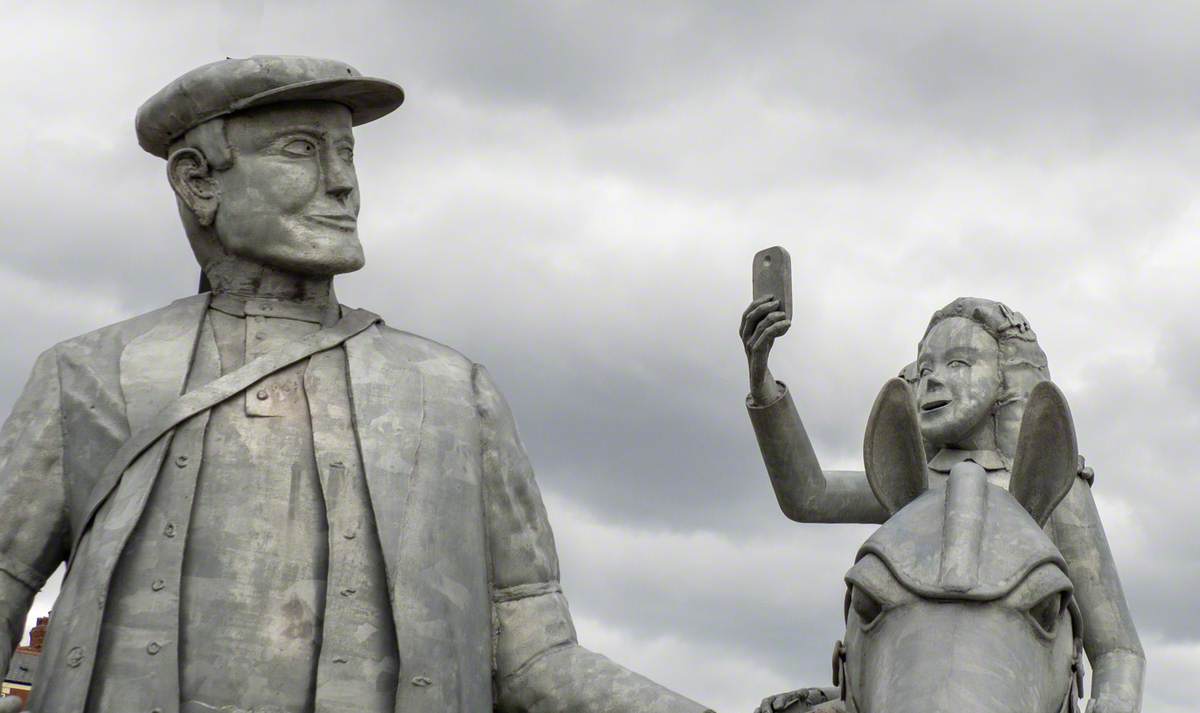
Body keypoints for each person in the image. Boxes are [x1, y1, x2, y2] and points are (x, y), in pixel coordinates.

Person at [0, 56, 713, 713]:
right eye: (302, 151)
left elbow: (533, 652)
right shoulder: (88, 375)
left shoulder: (452, 393)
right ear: (198, 180)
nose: (342, 182)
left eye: (347, 154)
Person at [741, 295, 1144, 713]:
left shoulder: (1058, 490)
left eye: (959, 364)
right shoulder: (913, 486)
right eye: (926, 367)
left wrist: (1114, 703)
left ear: (1005, 378)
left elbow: (1118, 649)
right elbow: (808, 497)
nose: (933, 380)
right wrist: (762, 383)